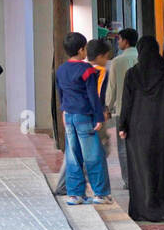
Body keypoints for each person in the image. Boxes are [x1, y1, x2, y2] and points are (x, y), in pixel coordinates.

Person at [118, 36, 164, 222]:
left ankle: (142, 209)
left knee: (139, 166)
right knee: (160, 165)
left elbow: (127, 103)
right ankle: (161, 207)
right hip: (161, 128)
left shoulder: (133, 74)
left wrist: (122, 126)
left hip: (137, 128)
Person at [55, 32, 112, 206]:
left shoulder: (61, 69)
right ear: (81, 50)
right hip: (84, 116)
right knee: (93, 155)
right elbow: (92, 96)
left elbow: (61, 94)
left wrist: (64, 113)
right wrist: (98, 118)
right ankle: (100, 194)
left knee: (73, 155)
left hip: (69, 116)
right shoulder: (87, 70)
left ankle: (74, 194)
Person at [107, 28, 139, 189]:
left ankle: (128, 179)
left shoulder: (117, 62)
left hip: (122, 110)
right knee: (139, 144)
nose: (118, 42)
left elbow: (112, 88)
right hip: (141, 110)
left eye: (119, 39)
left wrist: (107, 107)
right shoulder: (142, 58)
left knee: (123, 147)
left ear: (125, 41)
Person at [87, 38, 113, 156]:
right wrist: (103, 111)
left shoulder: (83, 69)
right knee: (101, 147)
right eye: (106, 57)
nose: (107, 60)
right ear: (99, 56)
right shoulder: (101, 71)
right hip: (96, 114)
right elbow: (99, 93)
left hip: (81, 113)